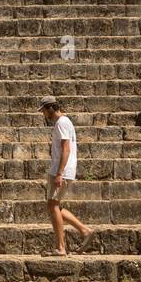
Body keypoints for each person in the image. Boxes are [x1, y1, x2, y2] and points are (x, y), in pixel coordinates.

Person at [39, 96, 93, 255]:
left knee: (53, 205)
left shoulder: (61, 122)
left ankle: (61, 247)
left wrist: (59, 173)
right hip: (63, 169)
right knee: (54, 205)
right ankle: (84, 231)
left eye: (43, 110)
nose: (43, 114)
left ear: (50, 108)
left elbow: (66, 149)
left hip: (61, 170)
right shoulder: (65, 122)